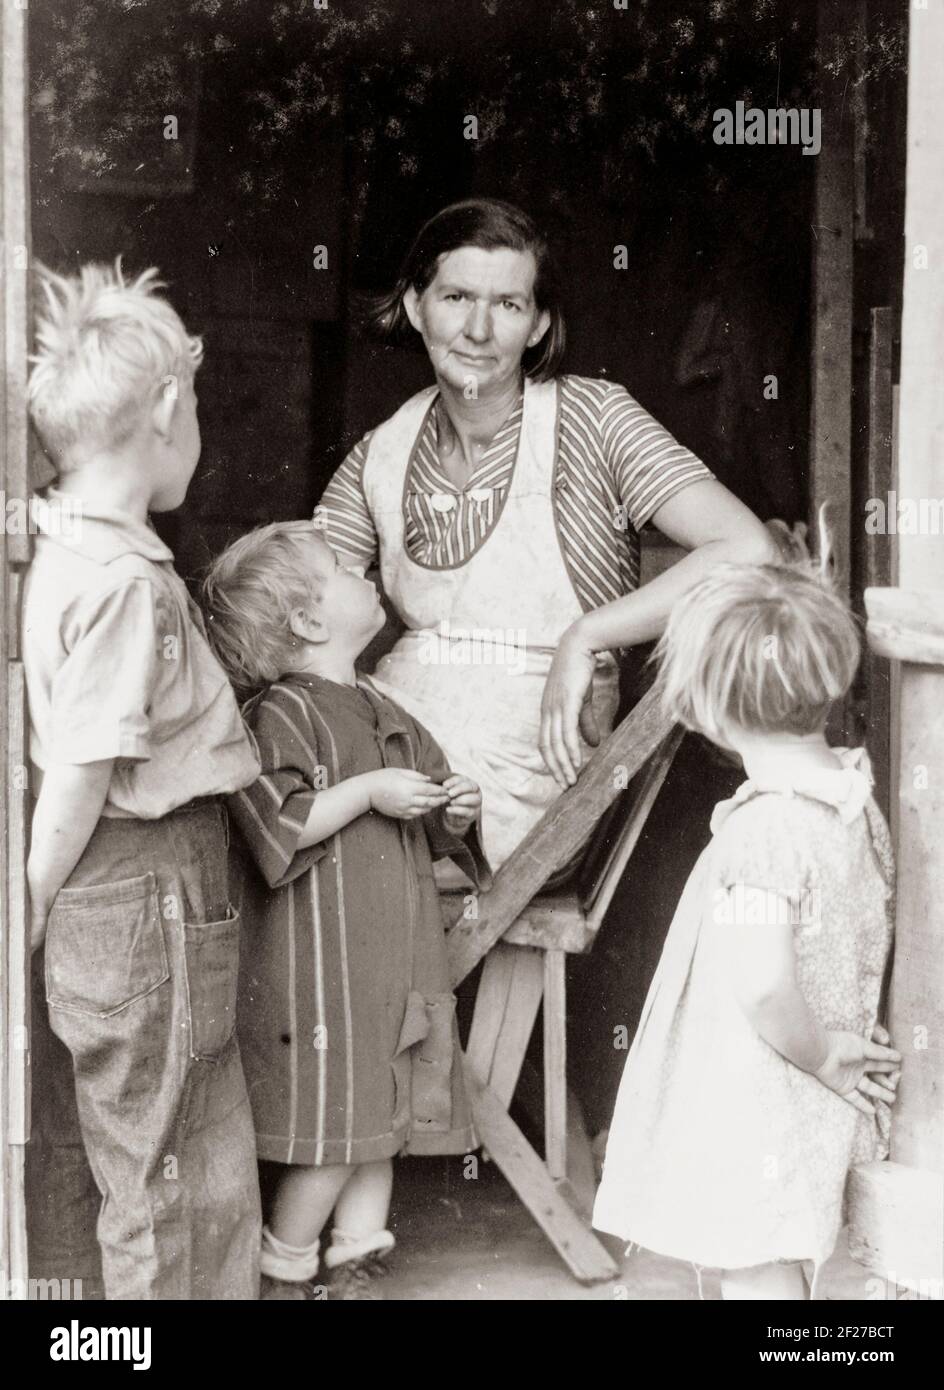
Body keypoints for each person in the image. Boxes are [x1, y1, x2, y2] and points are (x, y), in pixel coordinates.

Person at [319, 197, 778, 870]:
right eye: (456, 297)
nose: (478, 329)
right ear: (416, 306)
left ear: (538, 325)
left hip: (535, 767)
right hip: (402, 737)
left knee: (338, 839)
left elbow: (748, 548)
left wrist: (587, 635)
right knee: (302, 792)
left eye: (507, 305)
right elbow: (289, 599)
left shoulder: (595, 419)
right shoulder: (381, 452)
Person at [24, 261, 262, 1299]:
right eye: (197, 403)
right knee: (181, 1164)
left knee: (116, 1143)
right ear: (168, 406)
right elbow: (80, 770)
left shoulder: (53, 541)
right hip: (149, 890)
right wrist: (24, 901)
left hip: (113, 895)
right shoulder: (127, 588)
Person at [592, 553, 901, 1300]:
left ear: (703, 711)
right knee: (779, 1247)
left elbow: (764, 984)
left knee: (755, 1261)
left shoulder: (762, 833)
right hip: (797, 1078)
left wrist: (823, 1054)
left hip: (766, 1082)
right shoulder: (848, 794)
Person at [202, 522, 485, 1300]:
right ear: (308, 621)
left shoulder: (376, 703)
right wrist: (366, 792)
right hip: (324, 969)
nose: (363, 571)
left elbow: (430, 804)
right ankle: (285, 1268)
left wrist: (453, 808)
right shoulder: (279, 715)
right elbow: (275, 822)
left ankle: (355, 1265)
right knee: (334, 1134)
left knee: (380, 1129)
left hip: (389, 961)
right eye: (341, 568)